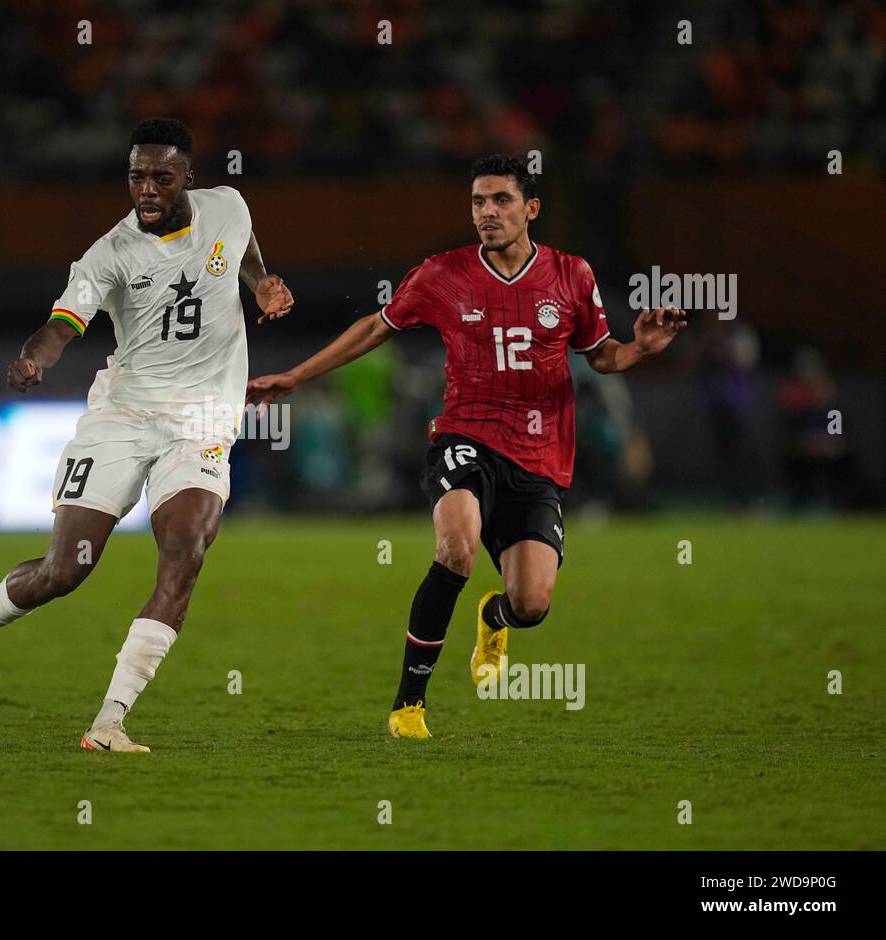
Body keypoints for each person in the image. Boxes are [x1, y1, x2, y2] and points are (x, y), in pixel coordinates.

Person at [246, 154, 685, 738]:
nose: (487, 212)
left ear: (531, 209)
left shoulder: (572, 275)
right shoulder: (442, 274)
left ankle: (494, 615)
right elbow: (377, 326)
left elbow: (602, 356)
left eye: (501, 200)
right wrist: (296, 375)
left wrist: (641, 348)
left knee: (532, 604)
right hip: (465, 436)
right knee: (457, 549)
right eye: (478, 201)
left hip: (540, 457)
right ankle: (409, 705)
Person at [0, 118, 294, 751]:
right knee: (65, 571)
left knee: (186, 549)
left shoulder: (228, 206)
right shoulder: (109, 255)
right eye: (137, 175)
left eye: (161, 177)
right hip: (125, 416)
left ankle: (109, 721)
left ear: (188, 179)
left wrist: (264, 285)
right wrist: (36, 358)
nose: (146, 188)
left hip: (201, 422)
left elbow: (245, 253)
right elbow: (60, 326)